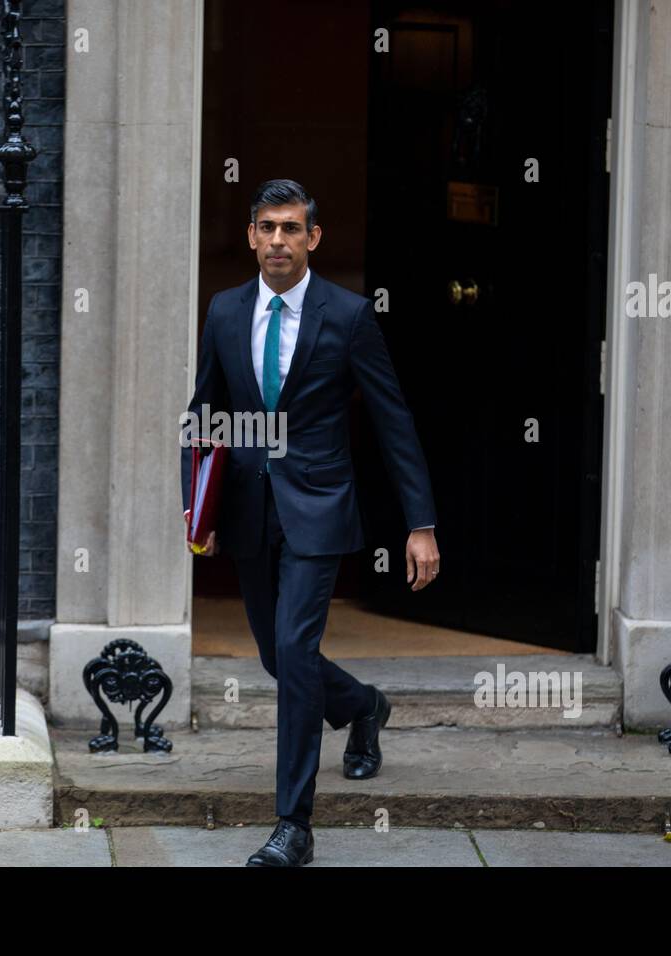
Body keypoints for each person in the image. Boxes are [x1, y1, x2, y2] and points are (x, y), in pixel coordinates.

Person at [180, 179, 439, 866]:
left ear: (313, 239)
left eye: (291, 229)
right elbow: (204, 415)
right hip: (246, 510)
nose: (277, 242)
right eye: (266, 228)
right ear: (250, 236)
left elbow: (393, 418)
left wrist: (421, 523)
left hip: (319, 509)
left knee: (294, 651)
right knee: (275, 656)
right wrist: (194, 503)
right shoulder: (225, 310)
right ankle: (361, 705)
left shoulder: (348, 316)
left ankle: (292, 824)